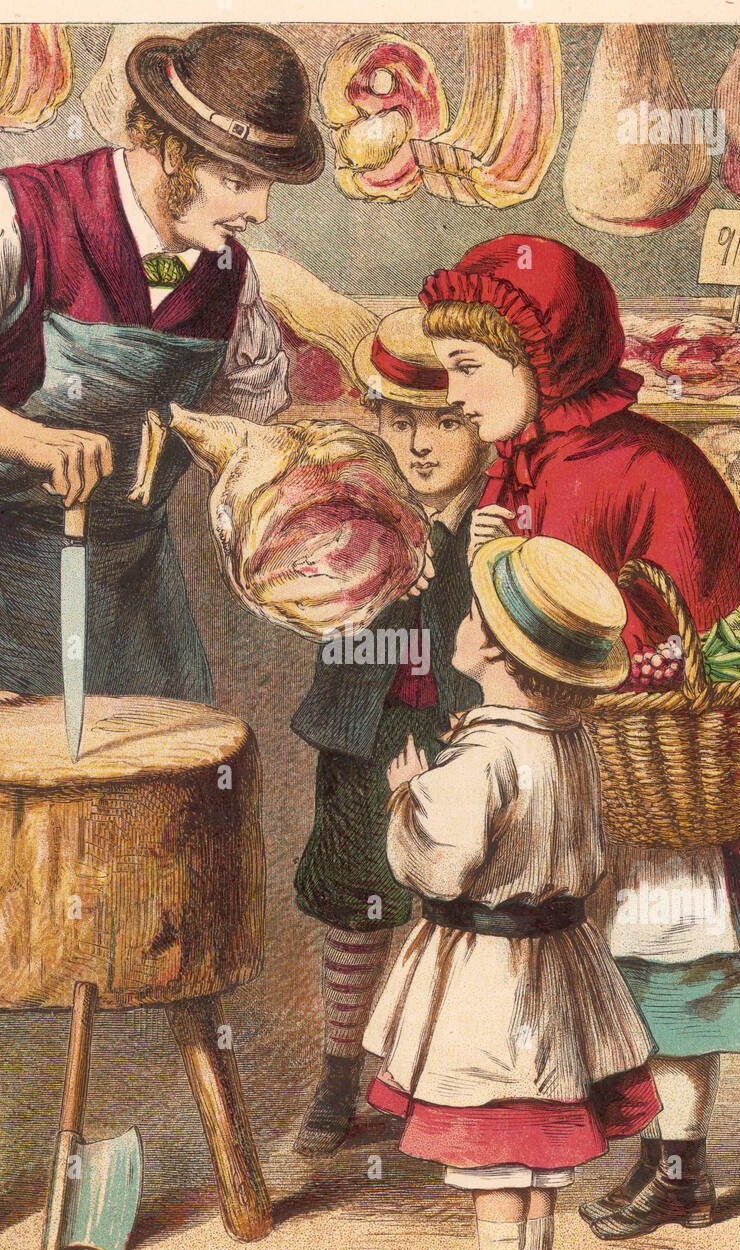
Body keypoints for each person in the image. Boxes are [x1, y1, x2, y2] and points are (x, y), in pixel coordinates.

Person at [418, 235, 740, 1237]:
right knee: (616, 975)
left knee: (671, 967)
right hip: (593, 780)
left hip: (673, 779)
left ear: (541, 362)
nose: (457, 399)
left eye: (470, 371)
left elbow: (669, 631)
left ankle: (680, 1167)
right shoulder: (530, 461)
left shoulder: (645, 465)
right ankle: (646, 1150)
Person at [0, 24, 323, 700]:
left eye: (265, 185)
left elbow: (248, 434)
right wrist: (33, 441)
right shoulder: (8, 218)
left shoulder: (230, 278)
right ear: (166, 148)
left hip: (134, 603)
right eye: (237, 180)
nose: (257, 210)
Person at [363, 535, 662, 1250]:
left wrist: (408, 794)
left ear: (496, 650)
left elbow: (436, 868)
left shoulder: (483, 755)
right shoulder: (574, 741)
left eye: (470, 616)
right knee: (538, 1145)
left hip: (488, 976)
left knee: (497, 1140)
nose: (460, 626)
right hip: (559, 964)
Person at [291, 307, 489, 1155]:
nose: (419, 444)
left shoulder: (501, 519)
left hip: (463, 727)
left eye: (444, 422)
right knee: (352, 897)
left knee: (464, 906)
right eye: (401, 420)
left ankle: (453, 1081)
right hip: (362, 725)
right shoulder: (360, 503)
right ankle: (339, 1072)